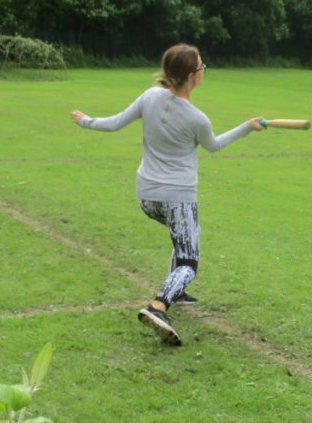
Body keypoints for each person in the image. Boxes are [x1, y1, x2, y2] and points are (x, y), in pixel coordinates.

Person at [71, 43, 264, 346]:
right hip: (177, 197)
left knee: (186, 234)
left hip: (147, 196)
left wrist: (86, 121)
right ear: (191, 76)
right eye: (201, 67)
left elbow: (115, 123)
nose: (203, 71)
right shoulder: (197, 119)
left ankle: (177, 291)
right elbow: (214, 146)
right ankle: (158, 306)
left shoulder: (150, 96)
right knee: (189, 261)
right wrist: (246, 127)